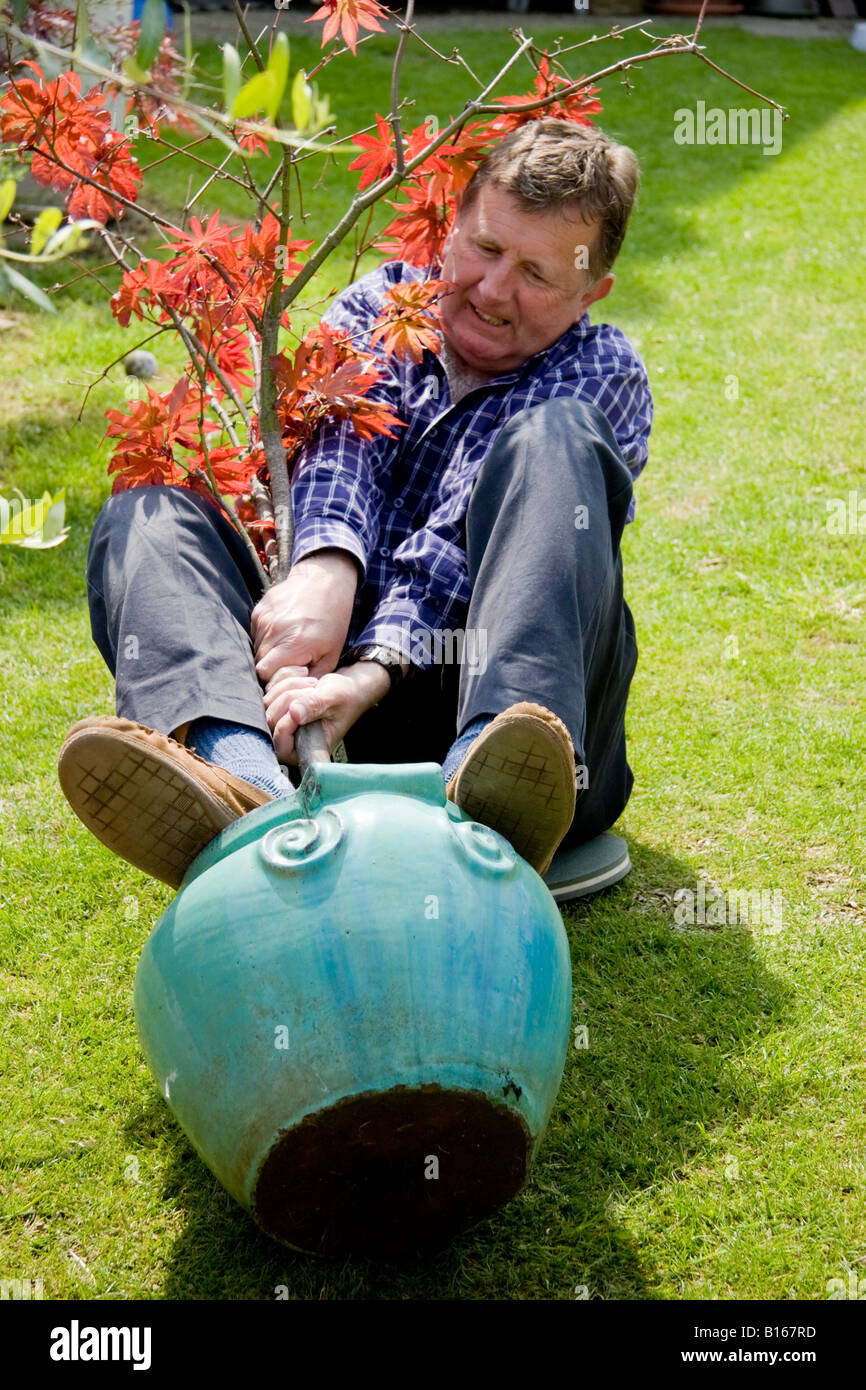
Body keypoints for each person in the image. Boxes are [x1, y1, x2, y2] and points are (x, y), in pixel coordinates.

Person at [58, 118, 652, 897]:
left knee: (555, 441)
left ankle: (489, 791)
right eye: (485, 248)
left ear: (590, 293)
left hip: (481, 697)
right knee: (150, 512)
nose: (495, 289)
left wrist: (372, 674)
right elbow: (343, 454)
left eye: (538, 275)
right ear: (451, 230)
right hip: (313, 712)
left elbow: (456, 532)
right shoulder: (380, 302)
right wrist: (323, 570)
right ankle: (247, 795)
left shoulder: (601, 368)